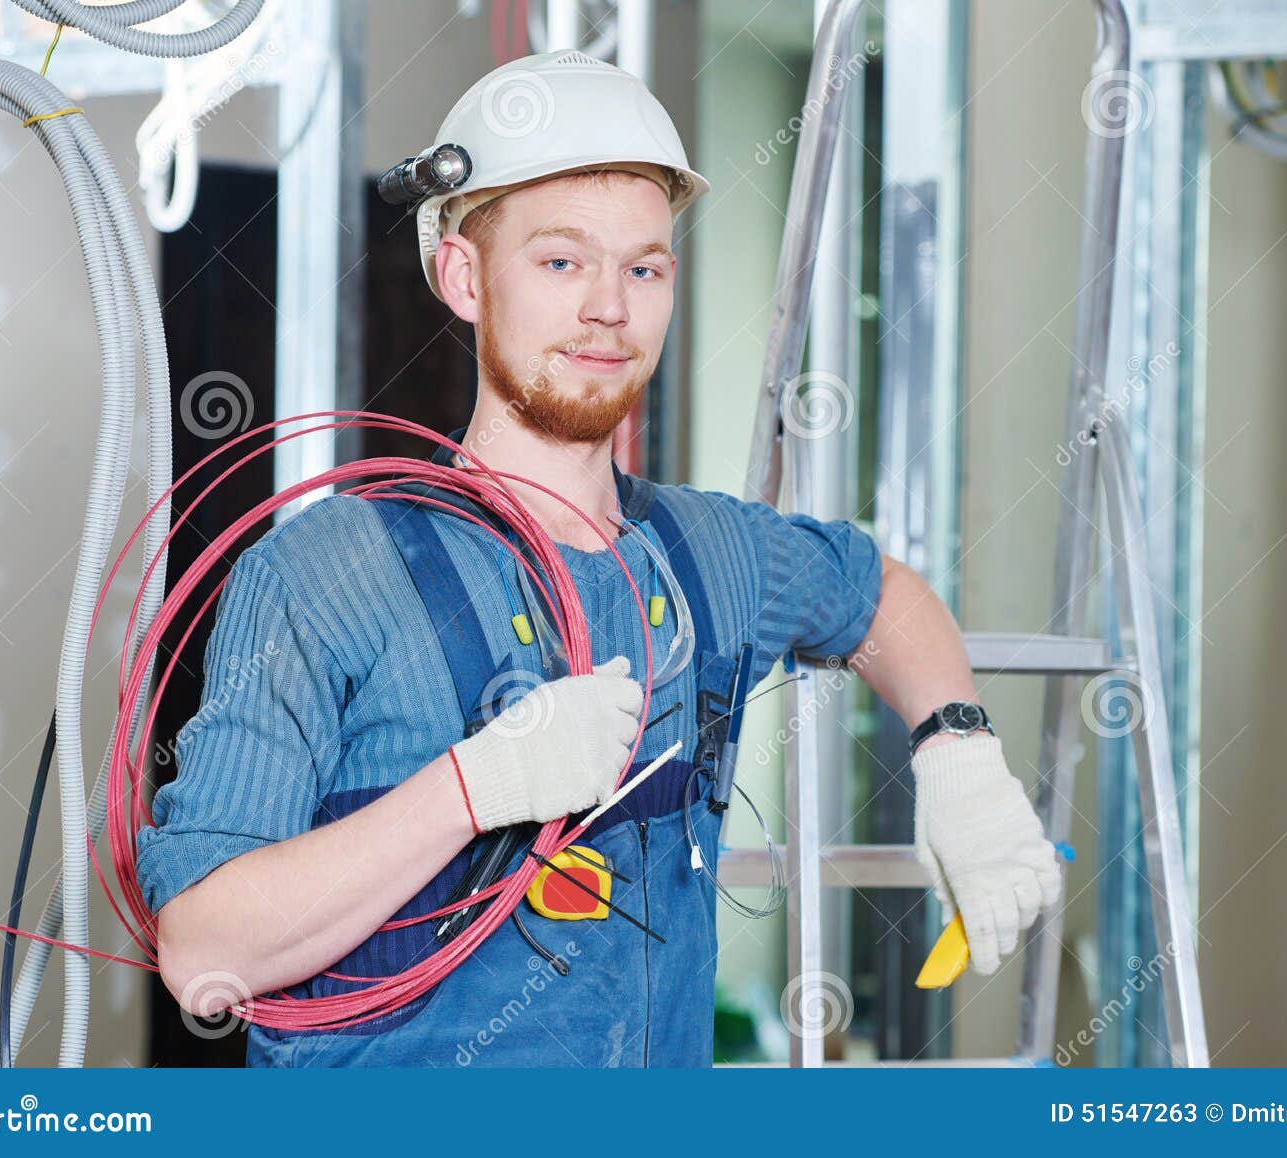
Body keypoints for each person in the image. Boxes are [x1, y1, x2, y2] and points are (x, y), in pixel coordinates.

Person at [137, 50, 1061, 1068]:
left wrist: (957, 750)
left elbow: (878, 595)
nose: (609, 309)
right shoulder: (328, 577)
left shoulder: (709, 554)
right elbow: (203, 948)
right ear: (462, 277)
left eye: (644, 267)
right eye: (562, 261)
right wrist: (471, 789)